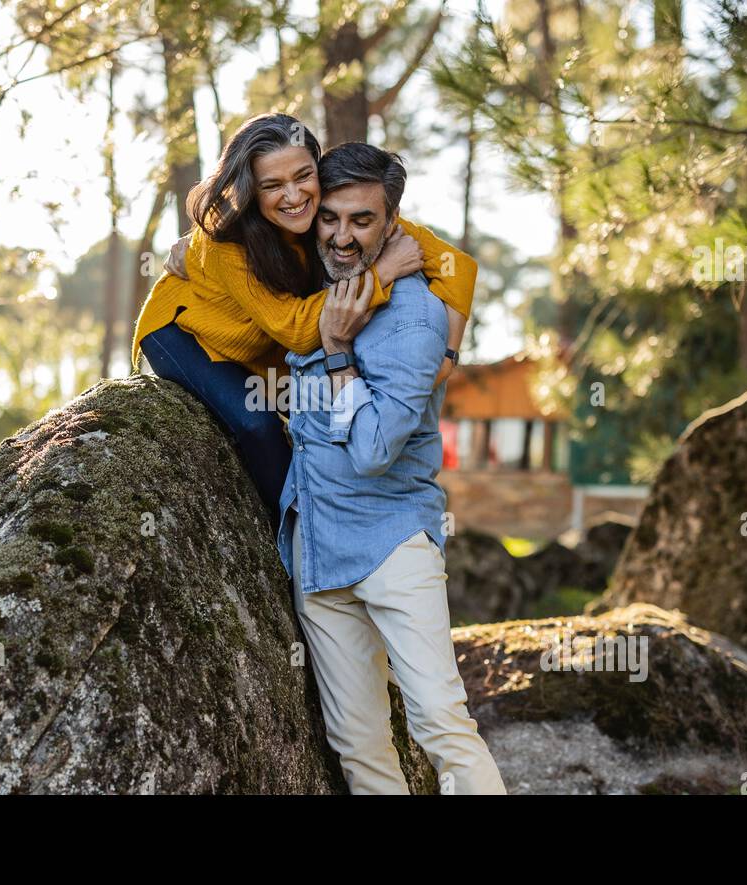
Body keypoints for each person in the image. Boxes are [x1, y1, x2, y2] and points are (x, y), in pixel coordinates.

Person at [278, 142, 507, 795]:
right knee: (359, 744)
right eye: (331, 218)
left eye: (362, 220)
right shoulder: (318, 287)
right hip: (318, 552)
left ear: (392, 223)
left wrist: (340, 354)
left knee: (442, 725)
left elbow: (375, 449)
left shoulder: (412, 316)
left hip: (391, 544)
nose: (342, 236)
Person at [130, 113, 476, 528]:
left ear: (319, 170)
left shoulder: (334, 208)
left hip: (257, 342)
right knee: (256, 424)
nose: (293, 196)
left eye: (302, 177)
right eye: (271, 185)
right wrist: (380, 274)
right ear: (248, 191)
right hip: (184, 332)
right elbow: (294, 329)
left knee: (317, 416)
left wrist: (449, 356)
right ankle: (291, 539)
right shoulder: (226, 243)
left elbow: (457, 265)